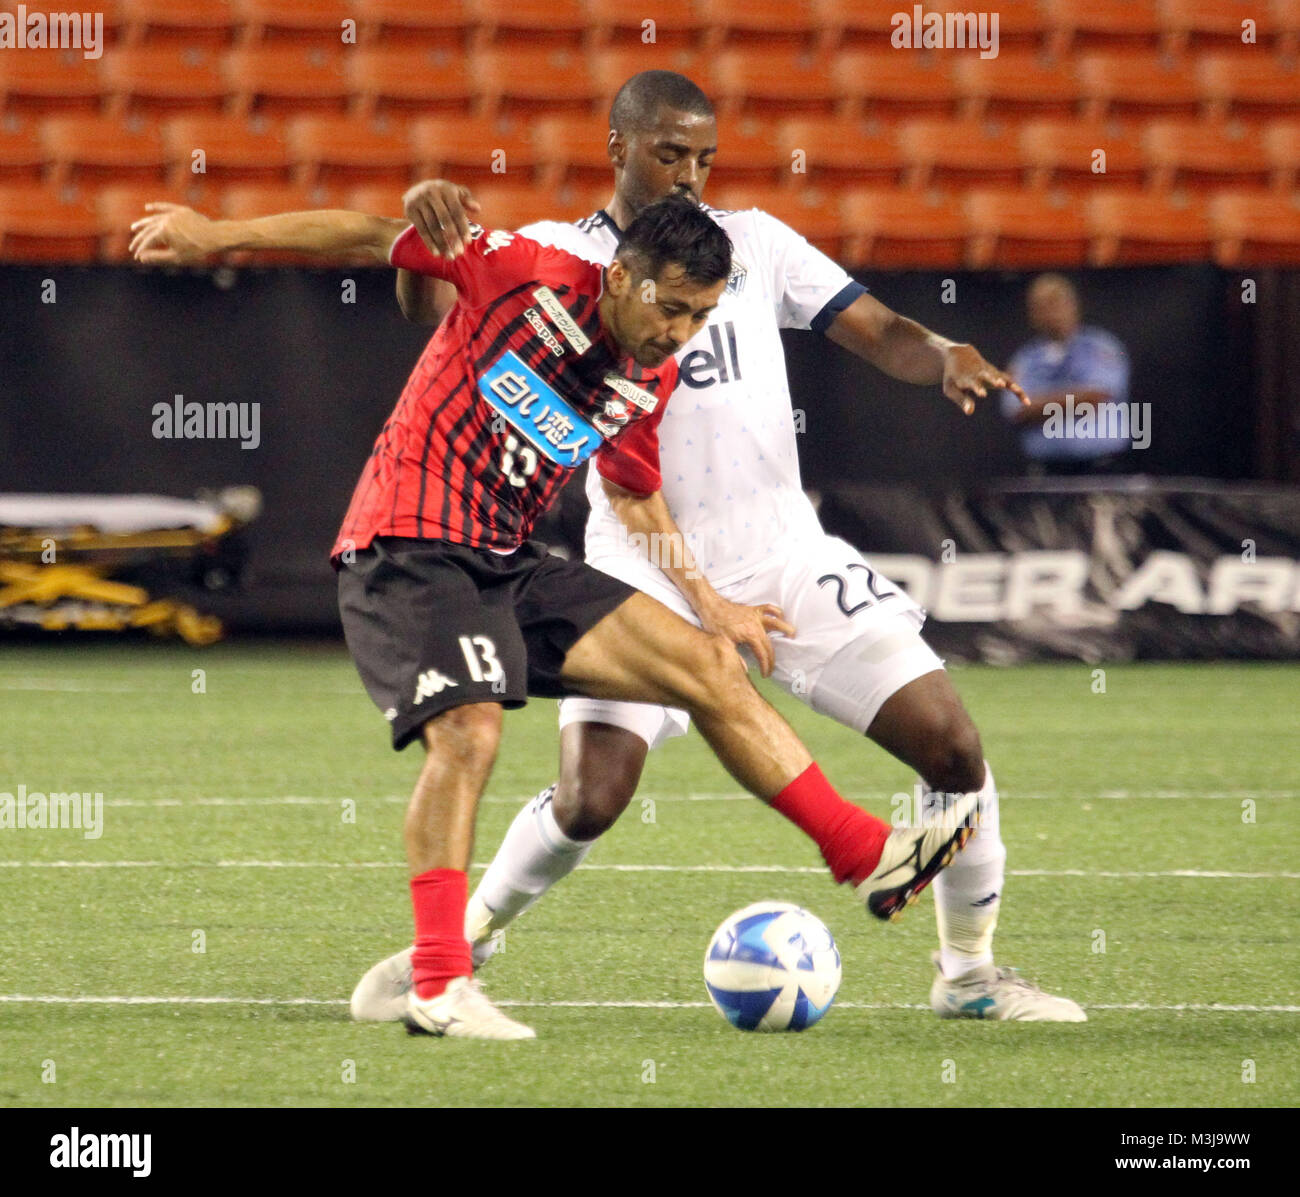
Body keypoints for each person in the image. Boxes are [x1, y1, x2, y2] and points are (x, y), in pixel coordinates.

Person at [129, 192, 982, 1040]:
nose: (681, 331)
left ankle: (864, 853)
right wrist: (216, 234)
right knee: (469, 734)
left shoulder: (652, 373)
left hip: (507, 560)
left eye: (702, 316)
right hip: (408, 544)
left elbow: (632, 491)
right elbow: (369, 233)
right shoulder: (525, 271)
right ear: (621, 277)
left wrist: (715, 606)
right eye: (672, 306)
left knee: (708, 667)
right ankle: (438, 982)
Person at [349, 71, 1086, 1023]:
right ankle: (456, 947)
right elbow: (427, 298)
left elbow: (878, 329)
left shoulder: (756, 243)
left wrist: (942, 354)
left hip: (784, 550)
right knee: (592, 797)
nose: (691, 175)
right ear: (618, 148)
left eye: (704, 157)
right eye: (670, 154)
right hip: (639, 555)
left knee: (951, 744)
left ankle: (971, 974)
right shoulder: (562, 258)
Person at [1001, 273, 1133, 476]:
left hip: (1100, 468)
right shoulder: (1025, 359)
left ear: (1073, 305)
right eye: (1041, 306)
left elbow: (1096, 398)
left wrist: (1040, 404)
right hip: (1046, 470)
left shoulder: (1102, 347)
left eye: (1055, 303)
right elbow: (1016, 410)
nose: (1050, 313)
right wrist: (1072, 398)